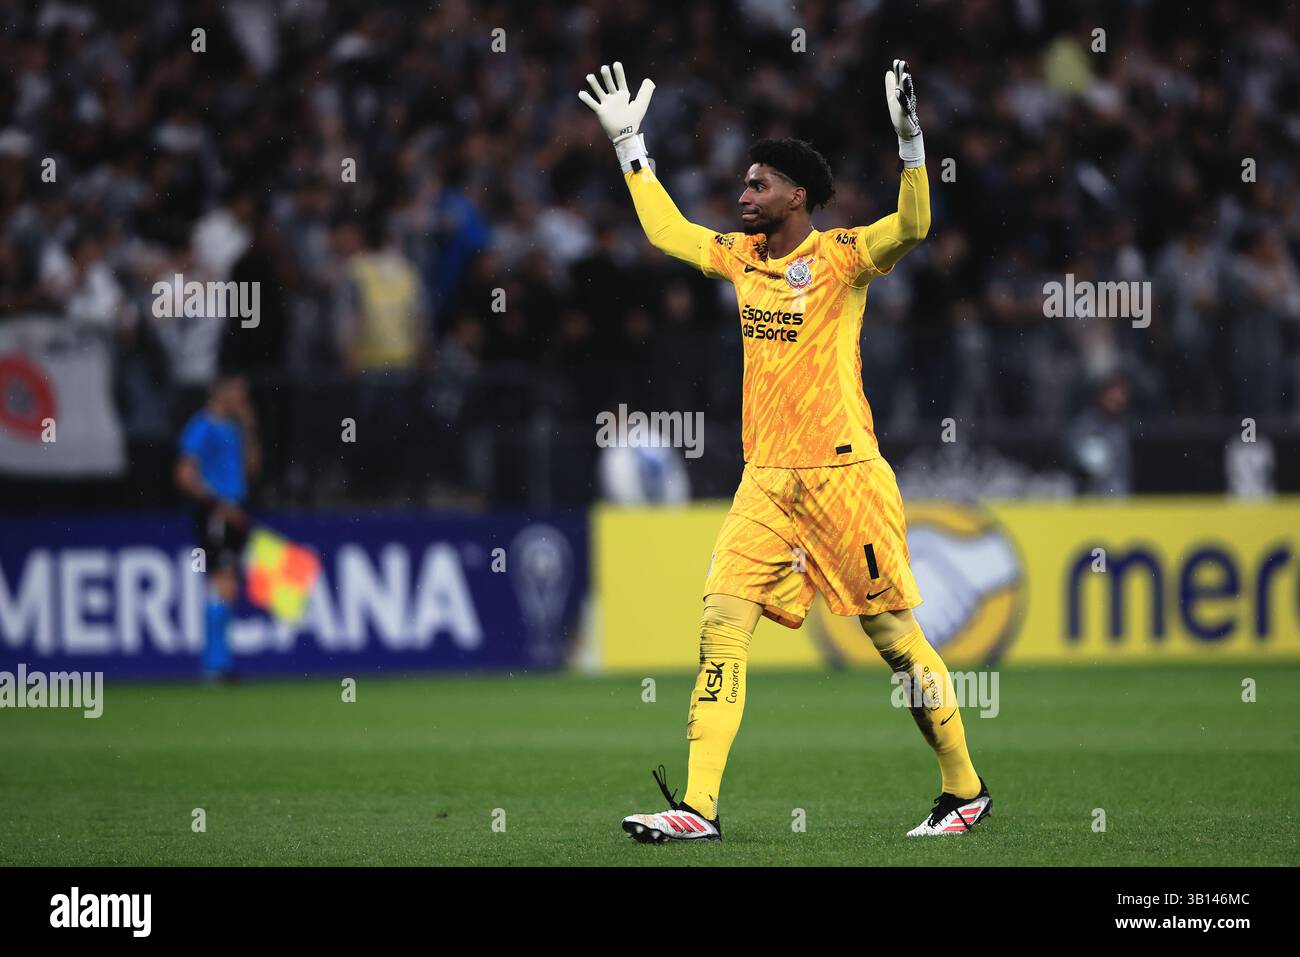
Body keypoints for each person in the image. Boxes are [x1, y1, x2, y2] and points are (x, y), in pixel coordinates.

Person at [581, 61, 990, 840]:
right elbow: (668, 231)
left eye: (757, 185)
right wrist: (631, 146)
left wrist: (910, 144)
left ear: (796, 194)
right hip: (764, 483)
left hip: (845, 477)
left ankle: (962, 788)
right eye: (743, 185)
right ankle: (698, 806)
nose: (742, 197)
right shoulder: (740, 259)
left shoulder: (841, 258)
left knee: (897, 642)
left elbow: (913, 228)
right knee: (721, 623)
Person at [175, 375, 260, 681]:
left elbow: (251, 470)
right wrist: (218, 505)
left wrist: (250, 428)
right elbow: (185, 474)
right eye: (237, 391)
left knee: (230, 586)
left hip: (237, 510)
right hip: (216, 513)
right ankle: (214, 665)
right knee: (221, 582)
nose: (242, 398)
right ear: (221, 392)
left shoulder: (236, 428)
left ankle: (221, 661)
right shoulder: (203, 425)